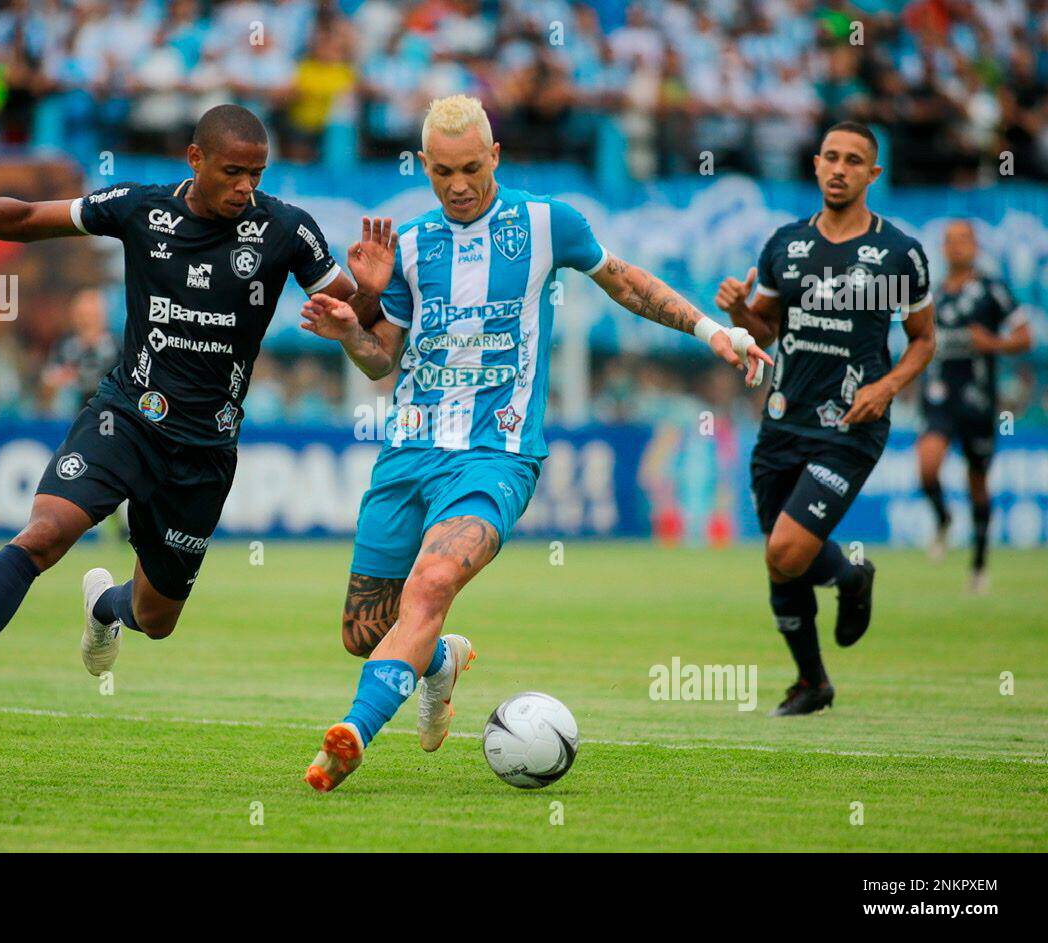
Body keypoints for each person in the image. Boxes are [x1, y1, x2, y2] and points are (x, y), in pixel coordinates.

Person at [0, 104, 395, 734]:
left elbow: (362, 328)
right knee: (44, 535)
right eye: (233, 172)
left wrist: (369, 291)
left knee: (156, 617)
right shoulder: (142, 209)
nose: (246, 186)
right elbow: (28, 219)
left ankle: (105, 608)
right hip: (126, 417)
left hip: (205, 449)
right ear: (195, 159)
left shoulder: (286, 229)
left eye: (256, 173)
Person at [298, 94, 771, 791]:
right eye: (443, 172)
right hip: (409, 452)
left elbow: (626, 284)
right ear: (424, 166)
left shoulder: (549, 223)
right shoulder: (413, 246)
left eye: (471, 168)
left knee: (432, 583)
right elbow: (379, 361)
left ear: (494, 156)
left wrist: (712, 331)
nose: (459, 185)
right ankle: (440, 661)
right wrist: (350, 328)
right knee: (365, 632)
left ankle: (351, 735)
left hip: (498, 455)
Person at [715, 121, 936, 716]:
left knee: (787, 551)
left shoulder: (900, 253)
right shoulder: (785, 244)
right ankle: (812, 682)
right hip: (782, 420)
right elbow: (766, 330)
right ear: (815, 164)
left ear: (873, 173)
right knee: (780, 560)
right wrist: (739, 312)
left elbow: (923, 340)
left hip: (850, 427)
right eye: (831, 157)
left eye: (853, 160)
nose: (840, 169)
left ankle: (852, 577)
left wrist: (886, 387)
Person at [917, 220, 1031, 593]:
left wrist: (993, 344)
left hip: (978, 402)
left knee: (977, 484)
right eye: (950, 240)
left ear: (976, 245)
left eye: (964, 239)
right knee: (927, 466)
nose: (957, 246)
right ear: (942, 248)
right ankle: (943, 519)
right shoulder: (934, 295)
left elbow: (1025, 337)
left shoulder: (992, 290)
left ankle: (979, 566)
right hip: (938, 398)